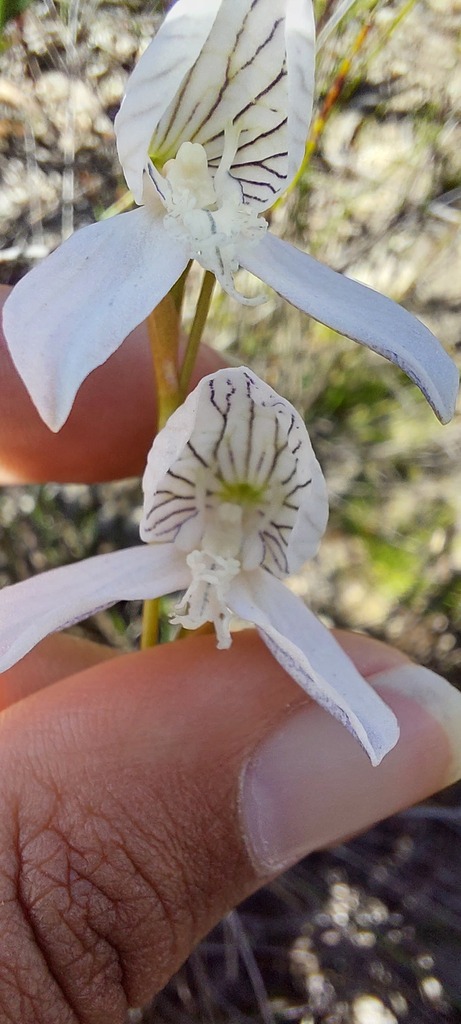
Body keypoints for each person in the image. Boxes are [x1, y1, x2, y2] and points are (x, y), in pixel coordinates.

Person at [0, 283, 460, 1024]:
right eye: (208, 486)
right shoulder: (151, 556)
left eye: (259, 499)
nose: (231, 505)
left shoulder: (256, 579)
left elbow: (374, 730)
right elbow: (377, 728)